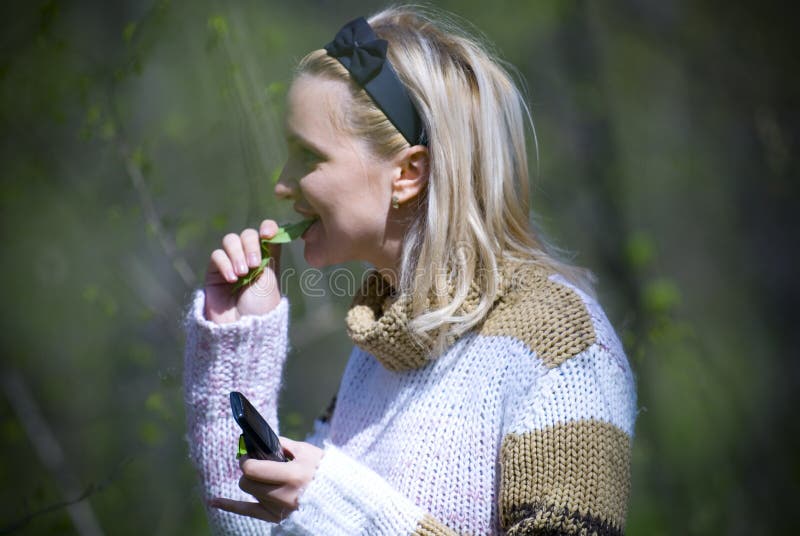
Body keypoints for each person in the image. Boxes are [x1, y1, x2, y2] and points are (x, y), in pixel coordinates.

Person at [183, 6, 637, 535]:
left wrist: (335, 504)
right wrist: (238, 343)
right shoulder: (379, 353)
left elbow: (337, 516)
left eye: (309, 156)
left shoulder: (562, 345)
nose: (283, 184)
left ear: (407, 173)